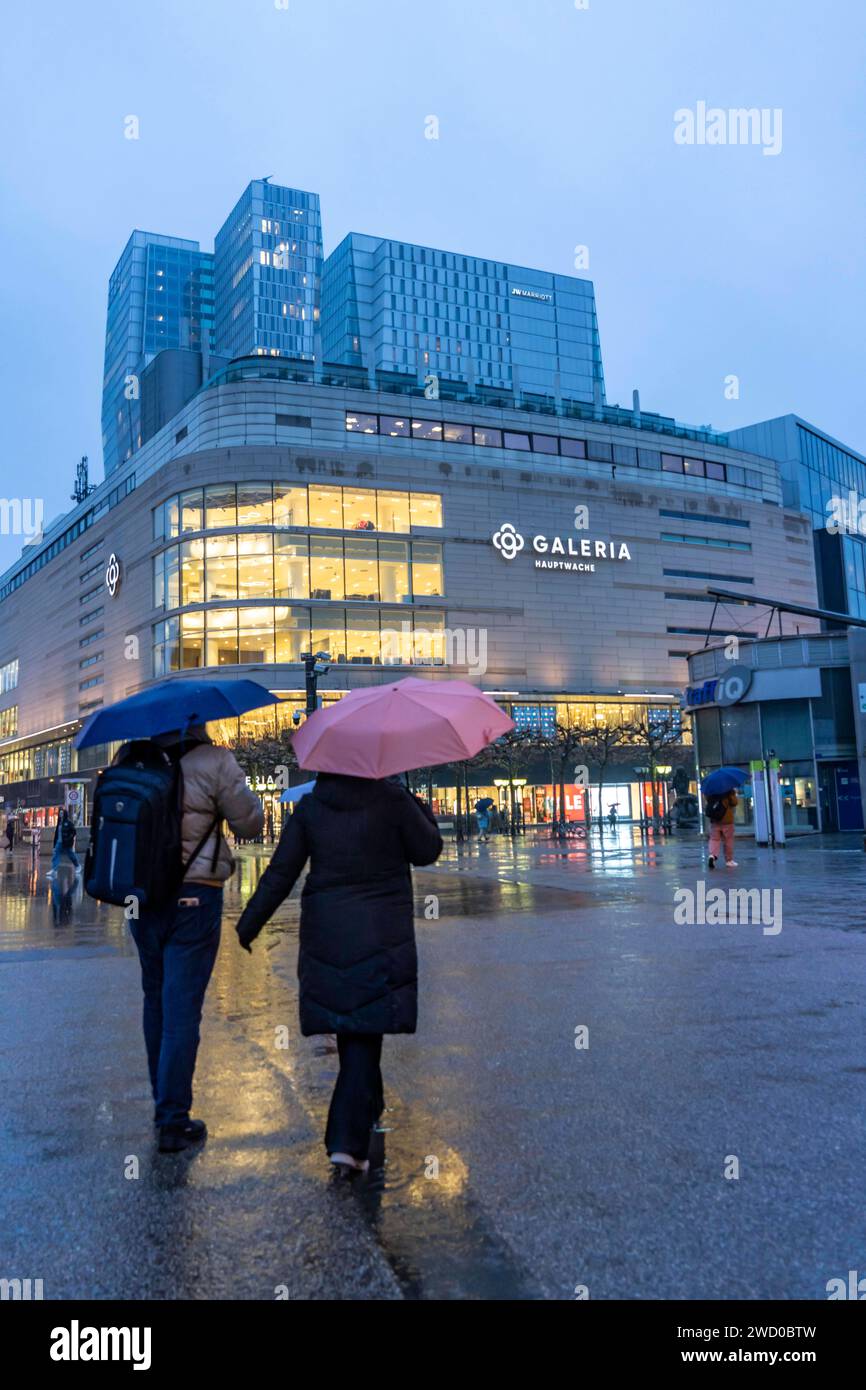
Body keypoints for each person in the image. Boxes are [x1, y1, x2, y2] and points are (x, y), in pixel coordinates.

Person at [235, 773, 443, 1177]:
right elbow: (427, 849)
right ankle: (346, 1143)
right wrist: (414, 802)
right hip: (381, 930)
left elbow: (282, 871)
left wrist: (251, 922)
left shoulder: (311, 807)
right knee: (365, 1028)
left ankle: (368, 1112)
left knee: (354, 1023)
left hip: (328, 931)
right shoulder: (392, 800)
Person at [128, 725, 264, 1153]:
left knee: (156, 1000)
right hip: (194, 896)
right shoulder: (215, 760)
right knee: (182, 1008)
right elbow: (251, 823)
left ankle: (161, 1105)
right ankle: (173, 1119)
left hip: (143, 898)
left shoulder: (134, 758)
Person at [707, 789, 738, 870]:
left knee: (714, 839)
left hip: (715, 820)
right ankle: (729, 861)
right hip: (727, 821)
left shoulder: (711, 791)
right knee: (728, 840)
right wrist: (733, 793)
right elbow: (734, 802)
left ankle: (712, 855)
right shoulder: (729, 790)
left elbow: (708, 801)